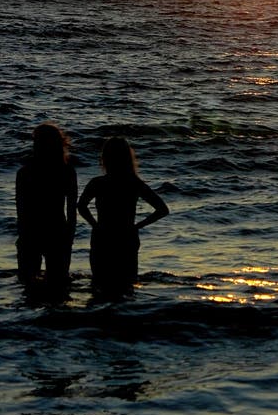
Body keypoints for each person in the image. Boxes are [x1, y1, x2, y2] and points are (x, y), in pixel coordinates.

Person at [77, 137, 169, 294]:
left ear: (105, 159)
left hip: (103, 236)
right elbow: (162, 209)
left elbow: (81, 206)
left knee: (99, 285)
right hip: (126, 236)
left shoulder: (98, 182)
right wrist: (137, 226)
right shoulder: (133, 182)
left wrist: (95, 225)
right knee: (127, 286)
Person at [16, 122, 77, 293]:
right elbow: (72, 210)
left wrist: (22, 236)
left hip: (32, 232)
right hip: (57, 231)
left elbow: (21, 210)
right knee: (60, 287)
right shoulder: (67, 171)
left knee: (29, 287)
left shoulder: (25, 172)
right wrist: (69, 236)